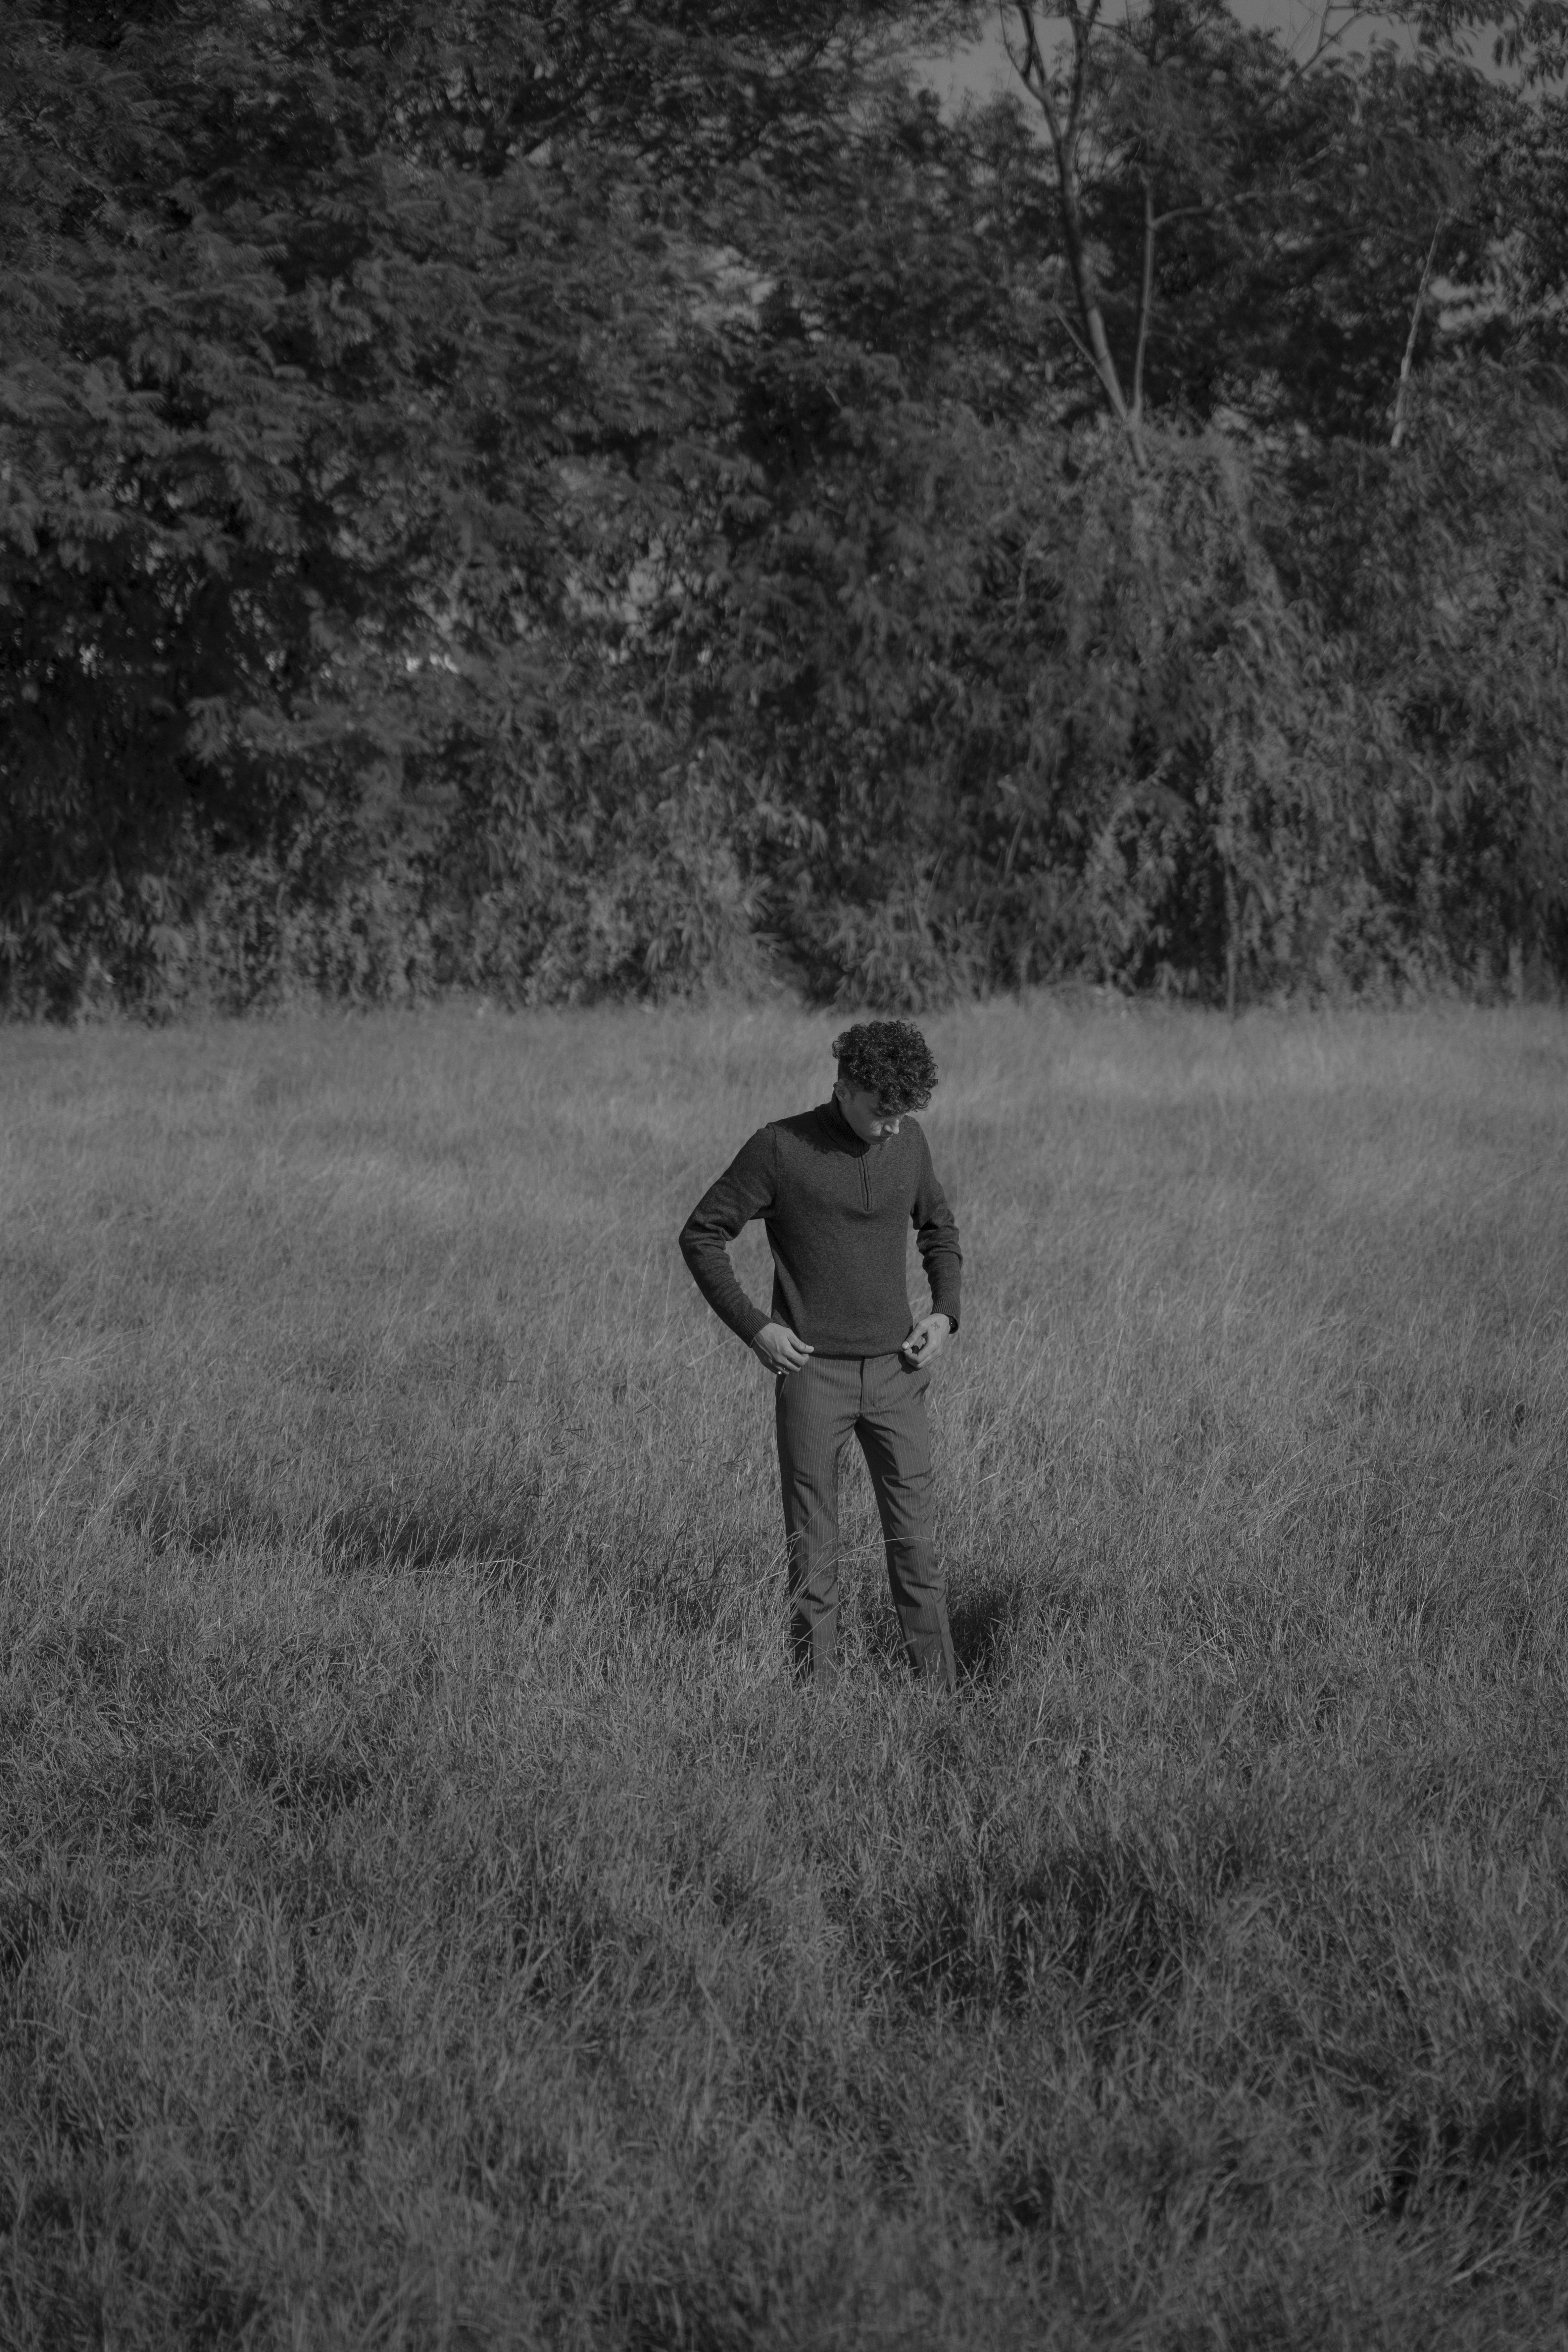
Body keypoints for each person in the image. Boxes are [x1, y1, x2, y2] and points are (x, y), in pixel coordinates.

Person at [679, 1020, 963, 1692]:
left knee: (916, 1547)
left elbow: (939, 1229)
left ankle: (939, 1697)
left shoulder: (908, 1142)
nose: (893, 1127)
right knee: (813, 1553)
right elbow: (701, 1234)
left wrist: (945, 1314)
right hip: (811, 1377)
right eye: (880, 1112)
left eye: (904, 1114)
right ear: (843, 1088)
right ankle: (815, 1703)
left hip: (898, 1374)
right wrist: (755, 1328)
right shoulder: (780, 1148)